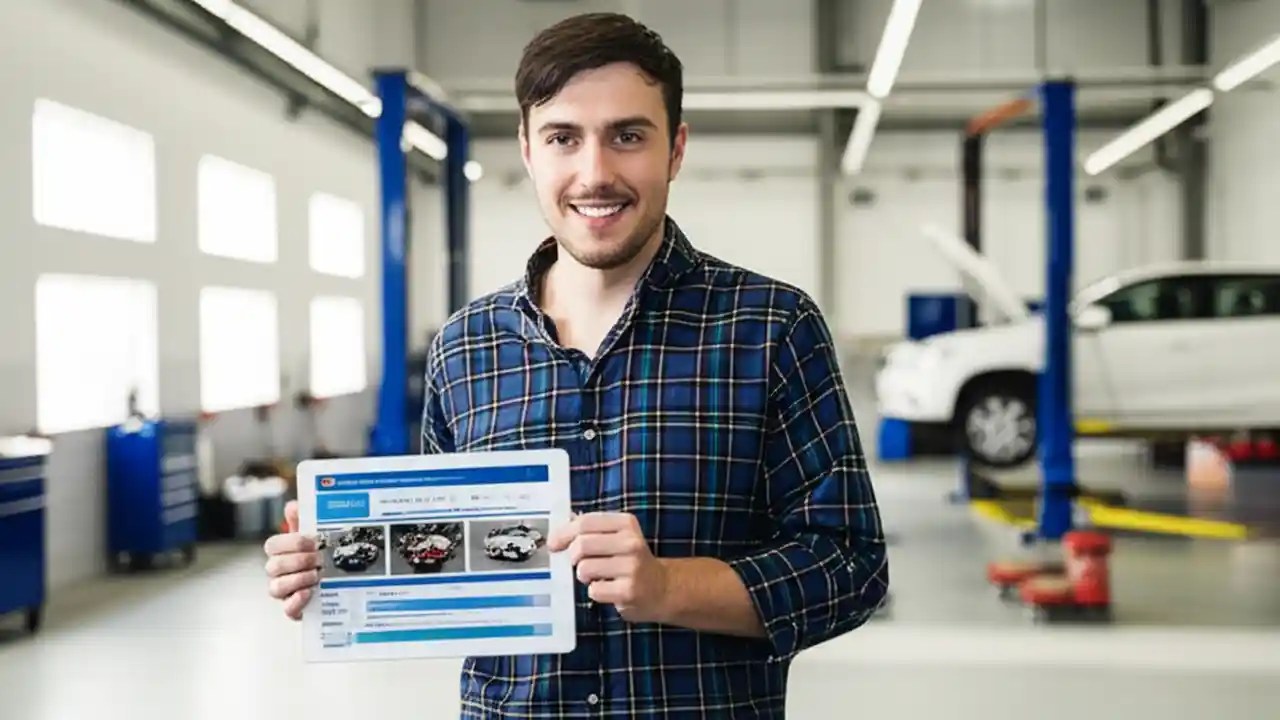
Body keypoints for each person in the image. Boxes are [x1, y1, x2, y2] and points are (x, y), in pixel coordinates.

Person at [264, 11, 888, 718]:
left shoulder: (770, 327)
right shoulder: (465, 348)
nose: (596, 173)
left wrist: (667, 588)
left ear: (676, 149)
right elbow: (444, 563)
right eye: (564, 137)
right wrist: (337, 567)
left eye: (628, 136)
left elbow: (850, 566)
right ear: (529, 151)